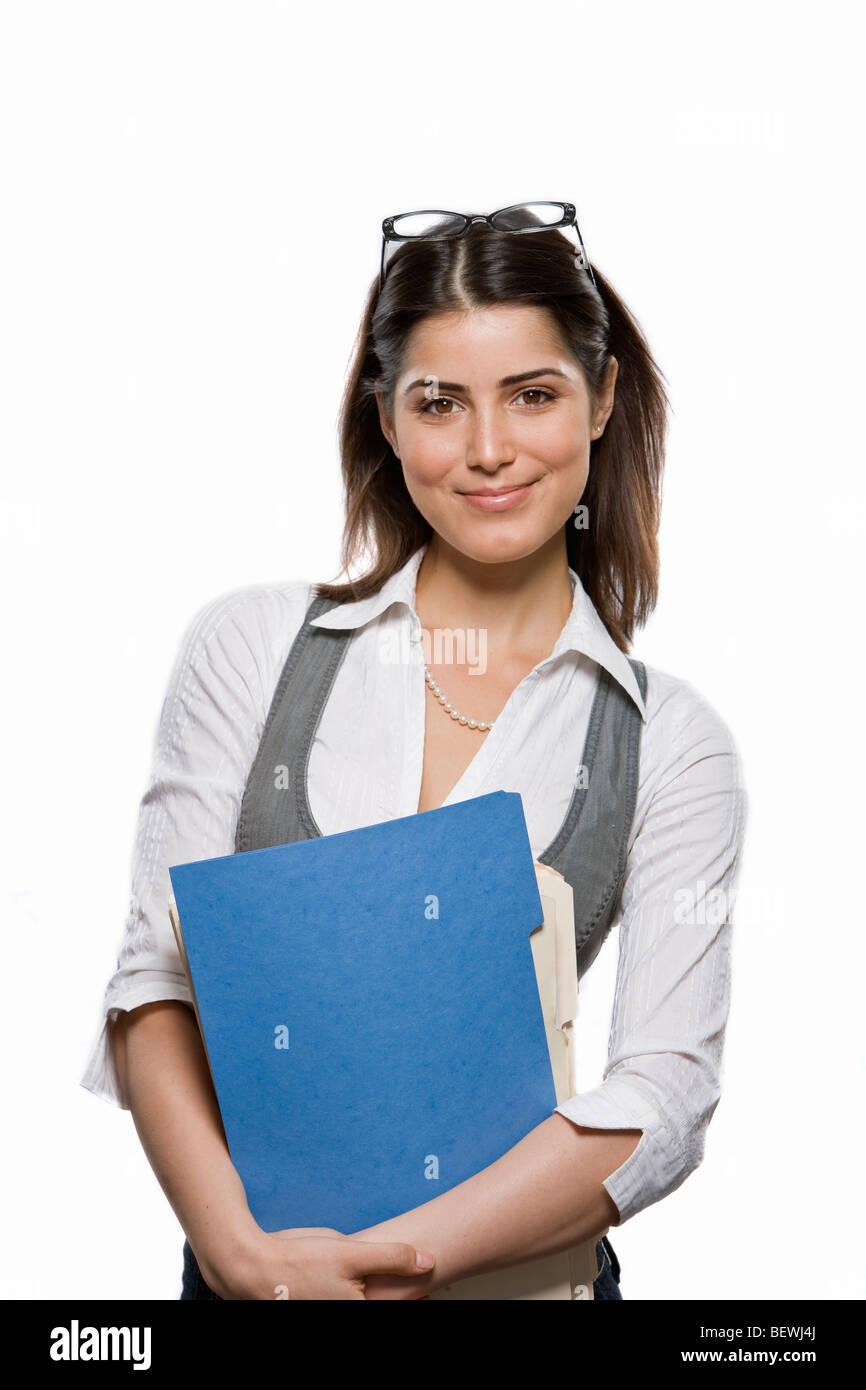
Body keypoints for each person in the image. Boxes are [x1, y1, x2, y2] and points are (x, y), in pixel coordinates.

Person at [80, 201, 748, 1301]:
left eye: (531, 395)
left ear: (602, 401)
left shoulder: (669, 740)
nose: (487, 448)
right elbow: (156, 980)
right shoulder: (253, 648)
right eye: (439, 402)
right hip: (253, 1282)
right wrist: (246, 1258)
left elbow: (662, 1094)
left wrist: (393, 1265)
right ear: (386, 420)